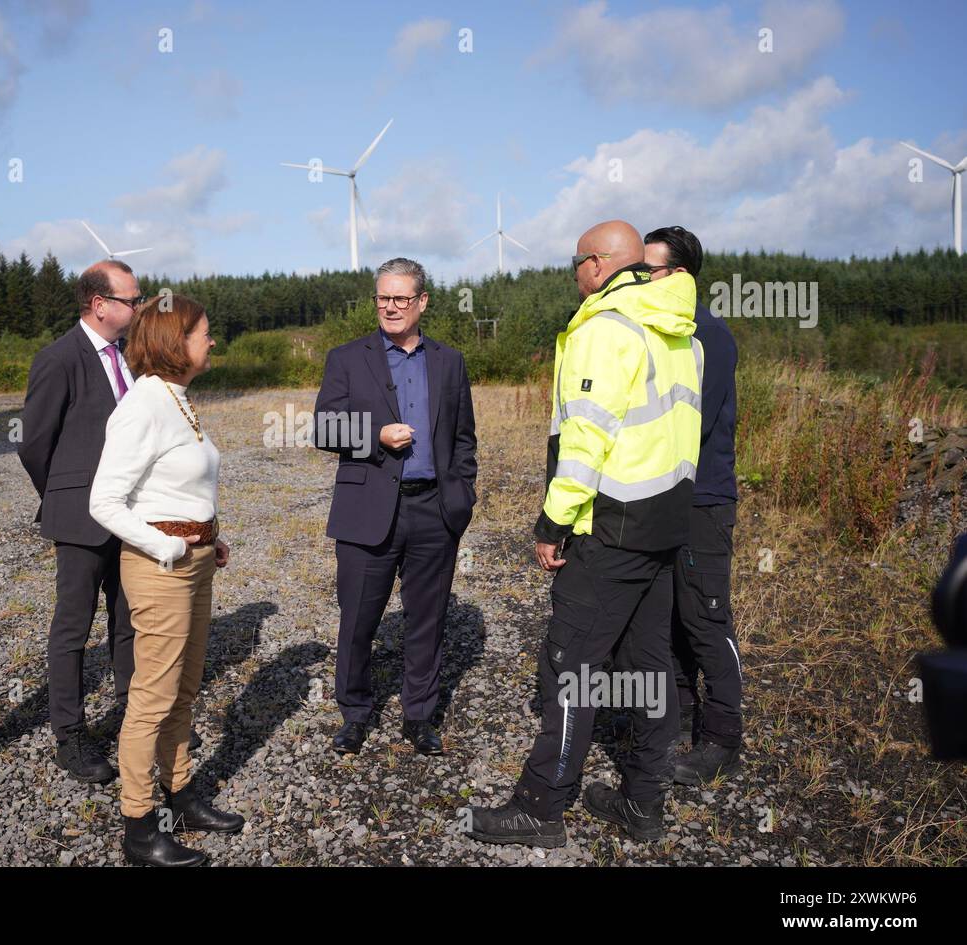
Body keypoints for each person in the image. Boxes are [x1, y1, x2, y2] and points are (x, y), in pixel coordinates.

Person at [467, 220, 701, 847]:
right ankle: (644, 804)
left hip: (611, 527)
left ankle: (542, 807)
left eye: (576, 261)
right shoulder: (682, 332)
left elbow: (587, 440)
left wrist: (554, 520)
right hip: (664, 522)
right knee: (650, 665)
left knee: (571, 665)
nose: (573, 272)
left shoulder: (605, 329)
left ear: (598, 265)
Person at [89, 293, 241, 867]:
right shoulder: (143, 404)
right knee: (151, 699)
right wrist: (168, 545)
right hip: (161, 569)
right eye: (204, 332)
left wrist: (208, 535)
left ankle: (180, 796)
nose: (211, 340)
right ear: (176, 343)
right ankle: (138, 826)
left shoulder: (178, 400)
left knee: (184, 688)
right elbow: (105, 501)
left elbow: (180, 488)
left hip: (194, 560)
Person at [313, 257, 477, 757]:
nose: (390, 306)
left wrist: (462, 499)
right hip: (368, 512)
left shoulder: (450, 361)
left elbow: (465, 439)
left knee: (427, 619)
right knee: (358, 619)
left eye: (401, 298)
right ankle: (355, 713)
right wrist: (375, 436)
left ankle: (419, 716)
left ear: (422, 302)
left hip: (434, 512)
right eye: (383, 297)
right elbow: (322, 428)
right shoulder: (347, 357)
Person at [18, 261, 141, 784]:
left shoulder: (129, 358)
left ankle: (136, 720)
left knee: (130, 621)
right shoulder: (58, 359)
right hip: (81, 518)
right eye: (132, 300)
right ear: (100, 304)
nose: (139, 308)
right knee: (73, 629)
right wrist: (66, 497)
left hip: (131, 516)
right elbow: (34, 444)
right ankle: (69, 735)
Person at [644, 226, 742, 785]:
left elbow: (687, 423)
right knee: (670, 617)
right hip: (662, 497)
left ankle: (724, 738)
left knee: (706, 617)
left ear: (679, 275)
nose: (641, 280)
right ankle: (677, 723)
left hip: (701, 500)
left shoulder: (706, 335)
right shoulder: (663, 331)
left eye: (650, 270)